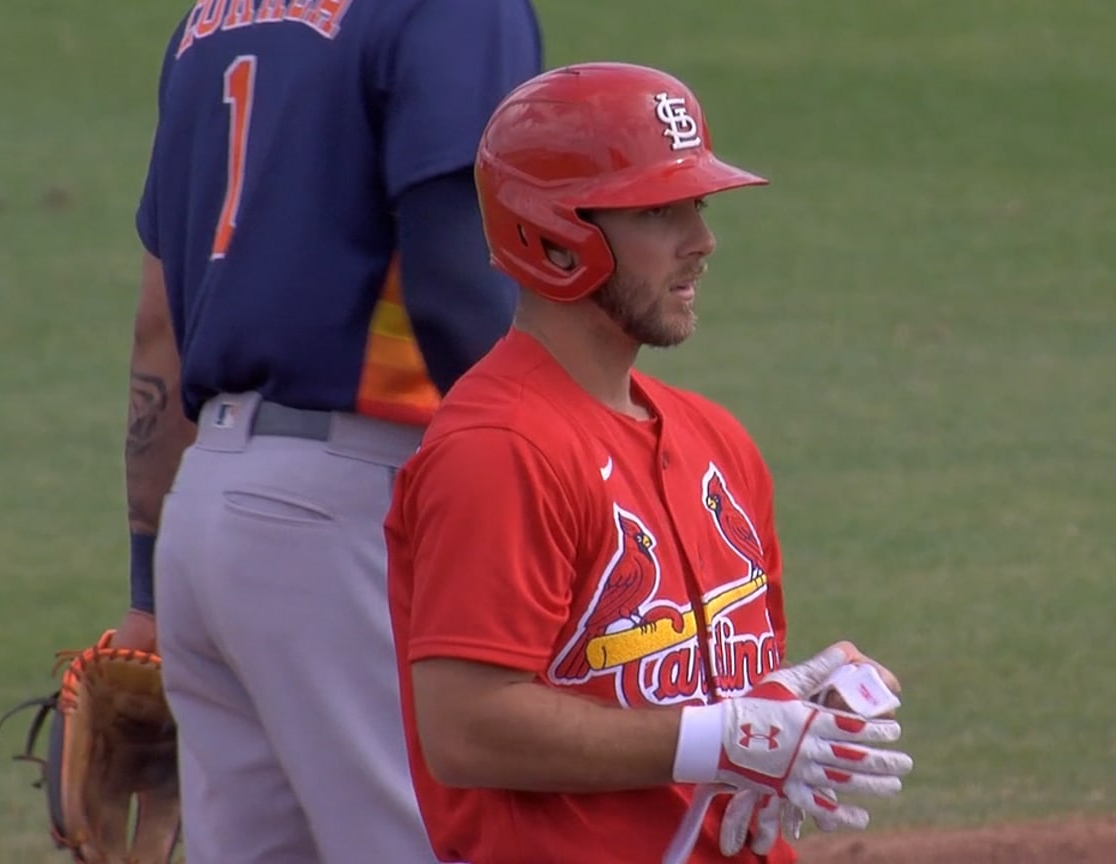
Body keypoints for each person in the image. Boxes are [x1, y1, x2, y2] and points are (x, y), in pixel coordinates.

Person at [384, 61, 916, 864]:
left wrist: (789, 711)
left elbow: (700, 706)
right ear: (556, 236)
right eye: (660, 211)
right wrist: (724, 736)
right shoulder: (498, 453)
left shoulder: (717, 441)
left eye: (696, 205)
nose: (702, 242)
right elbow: (466, 730)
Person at [115, 1, 543, 862]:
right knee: (439, 841)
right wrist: (569, 463)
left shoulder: (211, 22)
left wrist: (148, 595)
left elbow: (156, 329)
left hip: (207, 518)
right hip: (355, 509)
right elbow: (457, 283)